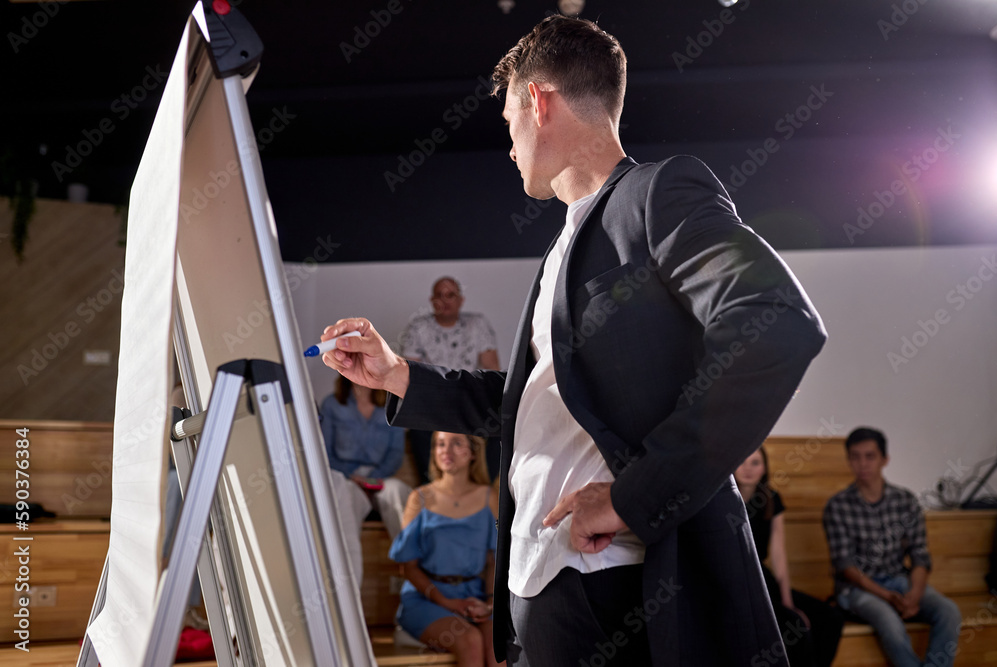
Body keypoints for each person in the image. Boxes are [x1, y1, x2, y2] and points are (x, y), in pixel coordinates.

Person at [320, 14, 826, 667]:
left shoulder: (657, 194)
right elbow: (523, 404)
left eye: (508, 122)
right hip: (539, 583)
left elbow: (776, 319)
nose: (507, 146)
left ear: (538, 100)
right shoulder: (564, 244)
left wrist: (632, 496)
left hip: (612, 580)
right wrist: (395, 373)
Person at [822, 427, 962, 667]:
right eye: (855, 457)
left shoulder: (905, 500)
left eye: (870, 456)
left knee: (949, 612)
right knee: (890, 622)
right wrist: (889, 597)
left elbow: (920, 556)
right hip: (858, 589)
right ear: (848, 461)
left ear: (884, 459)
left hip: (900, 580)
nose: (862, 464)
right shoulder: (837, 506)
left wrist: (914, 595)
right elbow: (847, 568)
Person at [390, 431, 503, 667]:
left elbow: (494, 560)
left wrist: (490, 603)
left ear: (473, 453)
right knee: (469, 640)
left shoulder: (489, 498)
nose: (446, 451)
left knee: (498, 647)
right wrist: (447, 603)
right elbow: (408, 567)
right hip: (427, 599)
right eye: (440, 444)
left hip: (474, 597)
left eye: (456, 443)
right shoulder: (419, 498)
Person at [735, 447, 844, 667]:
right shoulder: (723, 501)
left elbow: (778, 555)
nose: (748, 469)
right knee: (794, 626)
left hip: (764, 579)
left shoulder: (771, 499)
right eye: (742, 462)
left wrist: (787, 602)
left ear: (764, 468)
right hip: (739, 584)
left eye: (755, 463)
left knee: (830, 618)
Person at [402, 276, 501, 484]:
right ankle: (432, 490)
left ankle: (483, 490)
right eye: (439, 295)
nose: (444, 300)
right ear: (431, 300)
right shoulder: (418, 327)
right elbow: (411, 376)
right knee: (416, 420)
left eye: (450, 295)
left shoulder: (477, 324)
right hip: (432, 405)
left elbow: (492, 370)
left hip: (469, 401)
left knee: (498, 421)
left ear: (460, 300)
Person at [320, 374, 410, 541]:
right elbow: (324, 452)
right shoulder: (332, 404)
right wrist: (352, 477)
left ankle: (411, 561)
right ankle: (349, 565)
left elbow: (396, 453)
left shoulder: (392, 405)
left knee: (397, 491)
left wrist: (372, 478)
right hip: (346, 478)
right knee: (347, 495)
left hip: (380, 477)